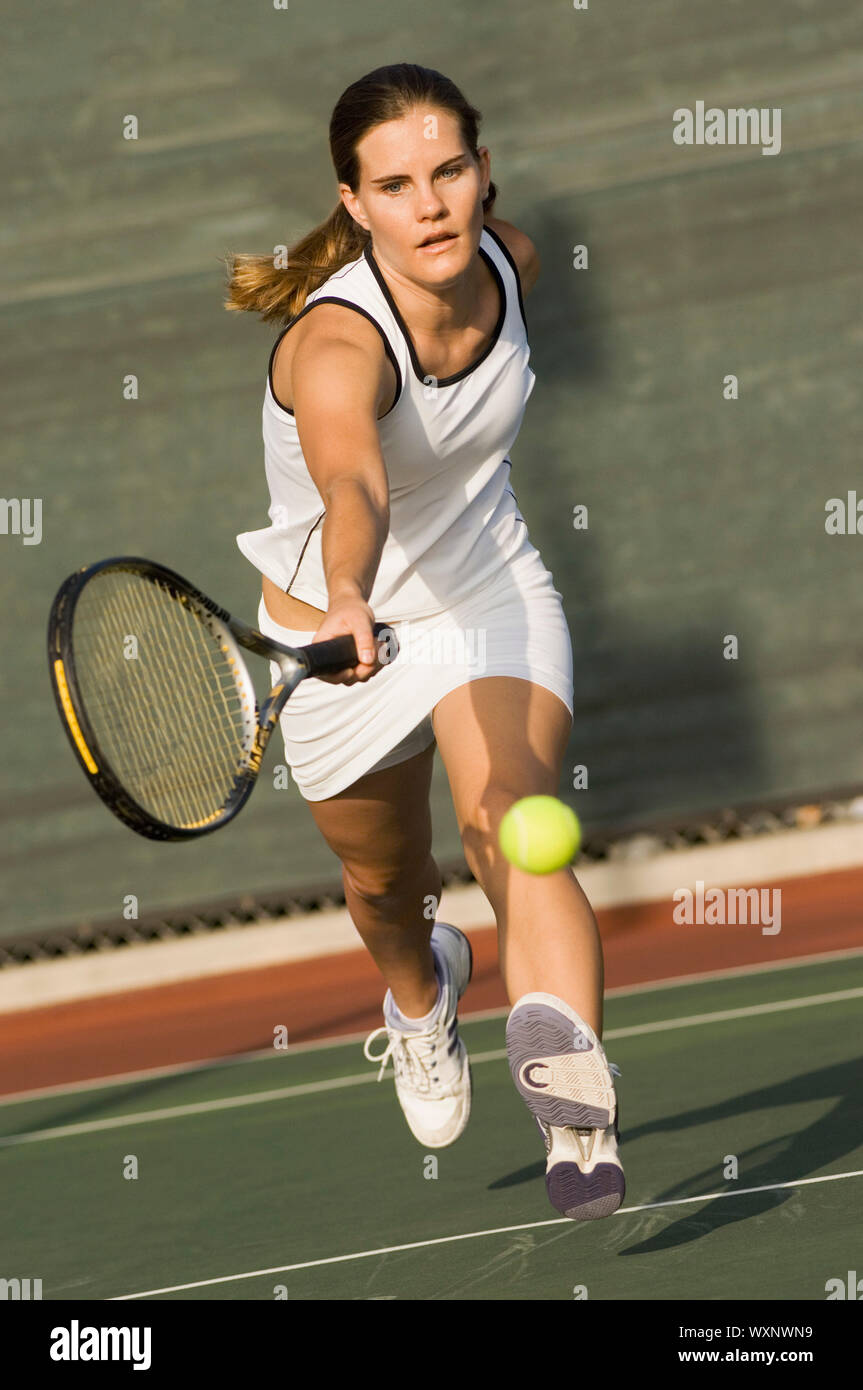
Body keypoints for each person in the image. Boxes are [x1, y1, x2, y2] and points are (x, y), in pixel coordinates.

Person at [224, 62, 623, 1220]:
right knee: (384, 884)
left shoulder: (513, 259)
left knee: (514, 823)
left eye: (449, 171)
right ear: (354, 205)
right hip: (334, 628)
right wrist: (348, 591)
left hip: (487, 589)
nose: (431, 204)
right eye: (394, 186)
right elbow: (352, 476)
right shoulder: (336, 344)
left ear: (482, 172)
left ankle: (573, 1102)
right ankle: (420, 993)